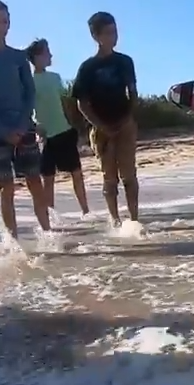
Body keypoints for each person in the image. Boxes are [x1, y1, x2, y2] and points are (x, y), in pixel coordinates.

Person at [0, 0, 51, 239]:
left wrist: (23, 125)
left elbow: (29, 94)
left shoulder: (18, 58)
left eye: (5, 21)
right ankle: (13, 242)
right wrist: (2, 131)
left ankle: (48, 235)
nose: (1, 26)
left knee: (34, 181)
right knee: (6, 188)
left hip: (23, 126)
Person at [73, 11, 140, 227]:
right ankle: (115, 220)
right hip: (100, 128)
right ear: (97, 36)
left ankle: (134, 221)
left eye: (115, 31)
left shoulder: (125, 61)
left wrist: (127, 118)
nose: (114, 36)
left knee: (129, 175)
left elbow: (133, 92)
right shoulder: (87, 68)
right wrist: (100, 126)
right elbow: (81, 103)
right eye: (109, 32)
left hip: (124, 124)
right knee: (109, 178)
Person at [26, 39, 90, 218]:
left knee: (76, 173)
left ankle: (86, 211)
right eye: (47, 52)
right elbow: (26, 109)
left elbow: (65, 103)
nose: (51, 56)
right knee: (48, 178)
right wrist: (34, 127)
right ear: (37, 57)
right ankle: (52, 217)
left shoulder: (55, 77)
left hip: (64, 131)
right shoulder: (29, 82)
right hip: (46, 136)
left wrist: (74, 125)